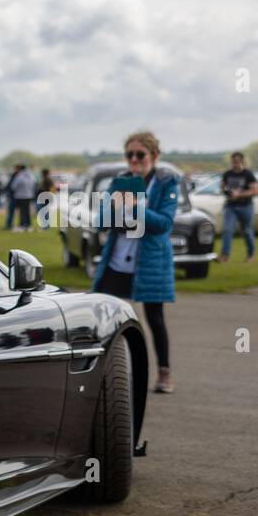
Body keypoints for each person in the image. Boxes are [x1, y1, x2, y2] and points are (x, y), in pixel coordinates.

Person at [92, 130, 177, 394]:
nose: (135, 160)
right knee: (103, 315)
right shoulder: (121, 182)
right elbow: (102, 222)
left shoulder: (166, 183)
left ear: (155, 155)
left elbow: (164, 223)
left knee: (154, 317)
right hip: (118, 260)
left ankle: (164, 373)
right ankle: (102, 372)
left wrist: (136, 206)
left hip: (150, 260)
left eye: (140, 154)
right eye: (130, 155)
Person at [219, 151, 258, 263]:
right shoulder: (227, 174)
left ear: (242, 161)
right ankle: (225, 255)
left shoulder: (248, 174)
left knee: (247, 231)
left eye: (237, 161)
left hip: (246, 206)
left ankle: (251, 255)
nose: (234, 164)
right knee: (227, 230)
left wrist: (239, 194)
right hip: (230, 206)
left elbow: (255, 191)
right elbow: (222, 188)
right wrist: (228, 192)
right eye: (233, 162)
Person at [10, 164, 36, 230]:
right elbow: (34, 184)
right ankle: (28, 225)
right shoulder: (31, 175)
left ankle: (22, 225)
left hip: (20, 196)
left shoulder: (19, 176)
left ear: (20, 169)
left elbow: (13, 186)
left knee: (22, 211)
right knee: (27, 211)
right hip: (29, 195)